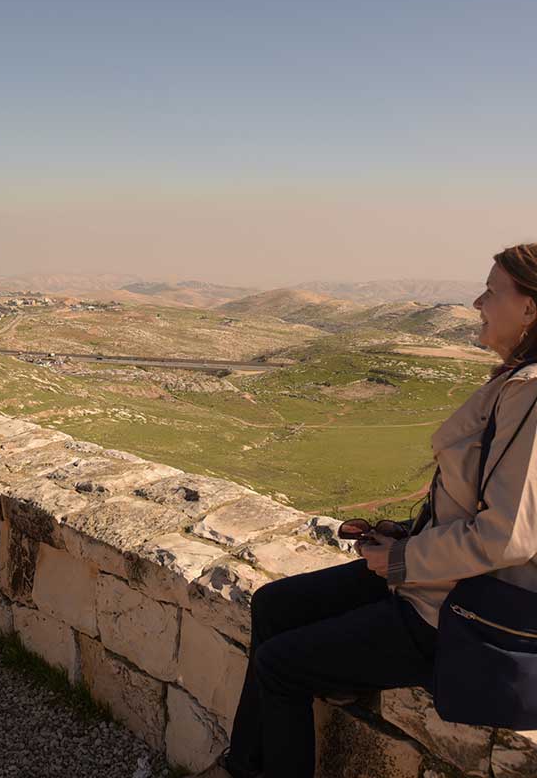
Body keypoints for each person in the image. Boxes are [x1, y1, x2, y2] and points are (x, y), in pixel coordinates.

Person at [219, 244, 537, 778]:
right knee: (274, 605)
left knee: (281, 666)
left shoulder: (532, 395)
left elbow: (507, 537)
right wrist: (404, 535)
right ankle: (245, 762)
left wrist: (401, 560)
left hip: (455, 610)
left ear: (530, 309)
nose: (478, 301)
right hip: (429, 577)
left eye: (492, 290)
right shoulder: (514, 381)